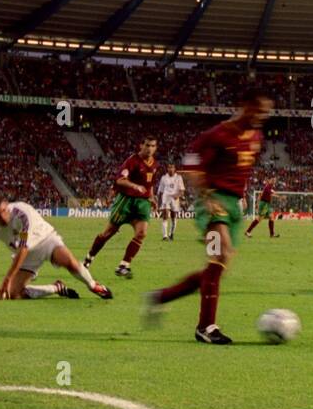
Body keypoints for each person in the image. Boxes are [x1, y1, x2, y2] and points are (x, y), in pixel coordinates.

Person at [144, 89, 273, 344]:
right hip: (212, 204)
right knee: (219, 253)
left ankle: (161, 297)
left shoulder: (256, 135)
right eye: (258, 111)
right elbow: (191, 167)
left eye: (265, 113)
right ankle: (206, 327)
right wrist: (207, 196)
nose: (261, 117)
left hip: (234, 207)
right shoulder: (216, 135)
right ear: (244, 106)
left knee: (215, 270)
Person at [0, 193, 112, 300]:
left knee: (70, 263)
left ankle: (93, 285)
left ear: (7, 205)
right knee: (13, 294)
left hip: (46, 240)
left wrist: (7, 279)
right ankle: (56, 288)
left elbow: (24, 247)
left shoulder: (22, 213)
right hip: (26, 256)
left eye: (3, 211)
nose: (2, 217)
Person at [84, 137, 158, 278]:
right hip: (126, 201)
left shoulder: (155, 164)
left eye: (153, 146)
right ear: (141, 145)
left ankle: (124, 265)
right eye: (147, 145)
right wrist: (135, 186)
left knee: (141, 233)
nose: (150, 148)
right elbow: (120, 180)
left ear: (156, 147)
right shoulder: (132, 161)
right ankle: (89, 258)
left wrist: (152, 198)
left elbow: (151, 184)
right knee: (107, 233)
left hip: (143, 203)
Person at [156, 162, 185, 241]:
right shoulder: (163, 178)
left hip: (175, 199)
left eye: (172, 167)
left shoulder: (179, 178)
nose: (171, 169)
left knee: (173, 217)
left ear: (175, 168)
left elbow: (182, 191)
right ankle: (165, 236)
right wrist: (158, 204)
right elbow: (160, 192)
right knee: (165, 216)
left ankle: (171, 234)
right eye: (169, 167)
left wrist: (178, 195)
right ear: (167, 168)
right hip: (166, 198)